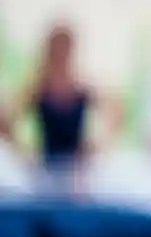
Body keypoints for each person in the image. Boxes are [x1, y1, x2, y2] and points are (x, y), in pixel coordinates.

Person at [0, 23, 122, 176]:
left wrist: (97, 146)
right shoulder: (38, 88)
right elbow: (4, 122)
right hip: (46, 169)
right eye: (59, 48)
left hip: (77, 173)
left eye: (66, 48)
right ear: (49, 51)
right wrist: (23, 153)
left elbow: (117, 111)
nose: (62, 54)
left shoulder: (81, 87)